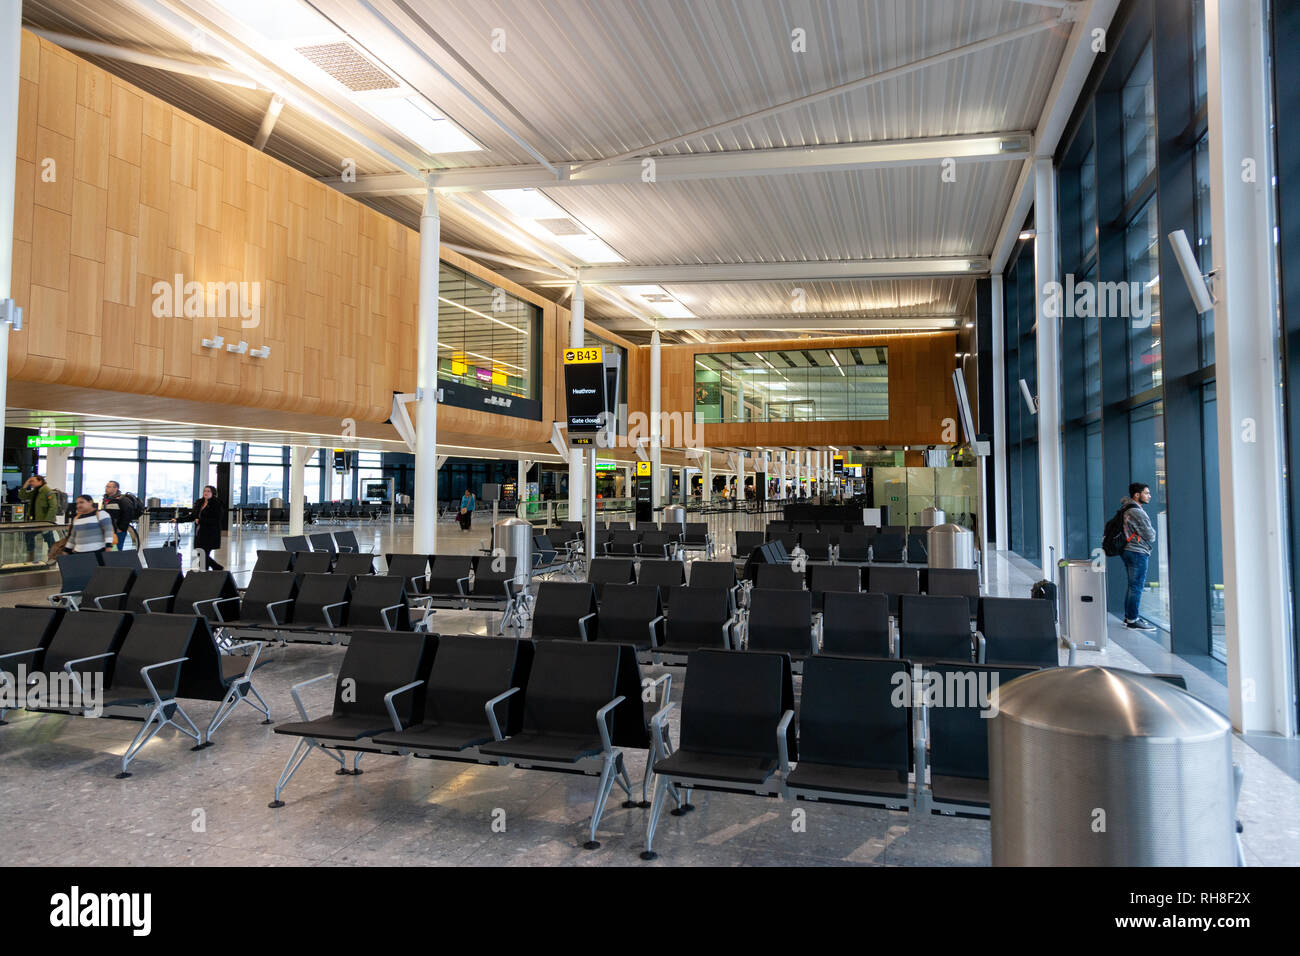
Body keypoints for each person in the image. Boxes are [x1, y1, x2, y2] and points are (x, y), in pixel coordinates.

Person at [1121, 482, 1158, 631]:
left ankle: (1129, 616)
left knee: (1132, 586)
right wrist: (1152, 533)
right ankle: (1132, 620)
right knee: (1137, 586)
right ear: (1137, 495)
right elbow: (1150, 535)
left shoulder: (1126, 508)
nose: (1149, 496)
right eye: (1146, 493)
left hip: (1128, 550)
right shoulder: (1137, 511)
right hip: (1137, 551)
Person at [18, 474, 59, 562]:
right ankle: (31, 555)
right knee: (28, 535)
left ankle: (52, 557)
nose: (31, 483)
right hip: (34, 522)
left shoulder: (47, 491)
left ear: (40, 481)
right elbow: (22, 496)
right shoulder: (35, 491)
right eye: (31, 481)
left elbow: (53, 507)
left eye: (33, 481)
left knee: (49, 540)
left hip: (44, 522)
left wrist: (46, 522)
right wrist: (26, 484)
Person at [191, 485, 225, 570]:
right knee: (200, 553)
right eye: (204, 491)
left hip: (210, 534)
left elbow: (216, 519)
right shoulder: (199, 503)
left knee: (204, 554)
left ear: (213, 493)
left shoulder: (217, 504)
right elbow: (193, 516)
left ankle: (204, 573)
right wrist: (178, 520)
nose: (206, 493)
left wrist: (201, 520)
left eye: (208, 491)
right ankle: (216, 567)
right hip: (199, 533)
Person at [102, 480, 134, 550]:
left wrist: (121, 528)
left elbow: (128, 514)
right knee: (108, 549)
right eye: (106, 486)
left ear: (115, 488)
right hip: (108, 530)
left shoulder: (123, 500)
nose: (106, 488)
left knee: (117, 550)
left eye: (109, 487)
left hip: (118, 530)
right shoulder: (106, 500)